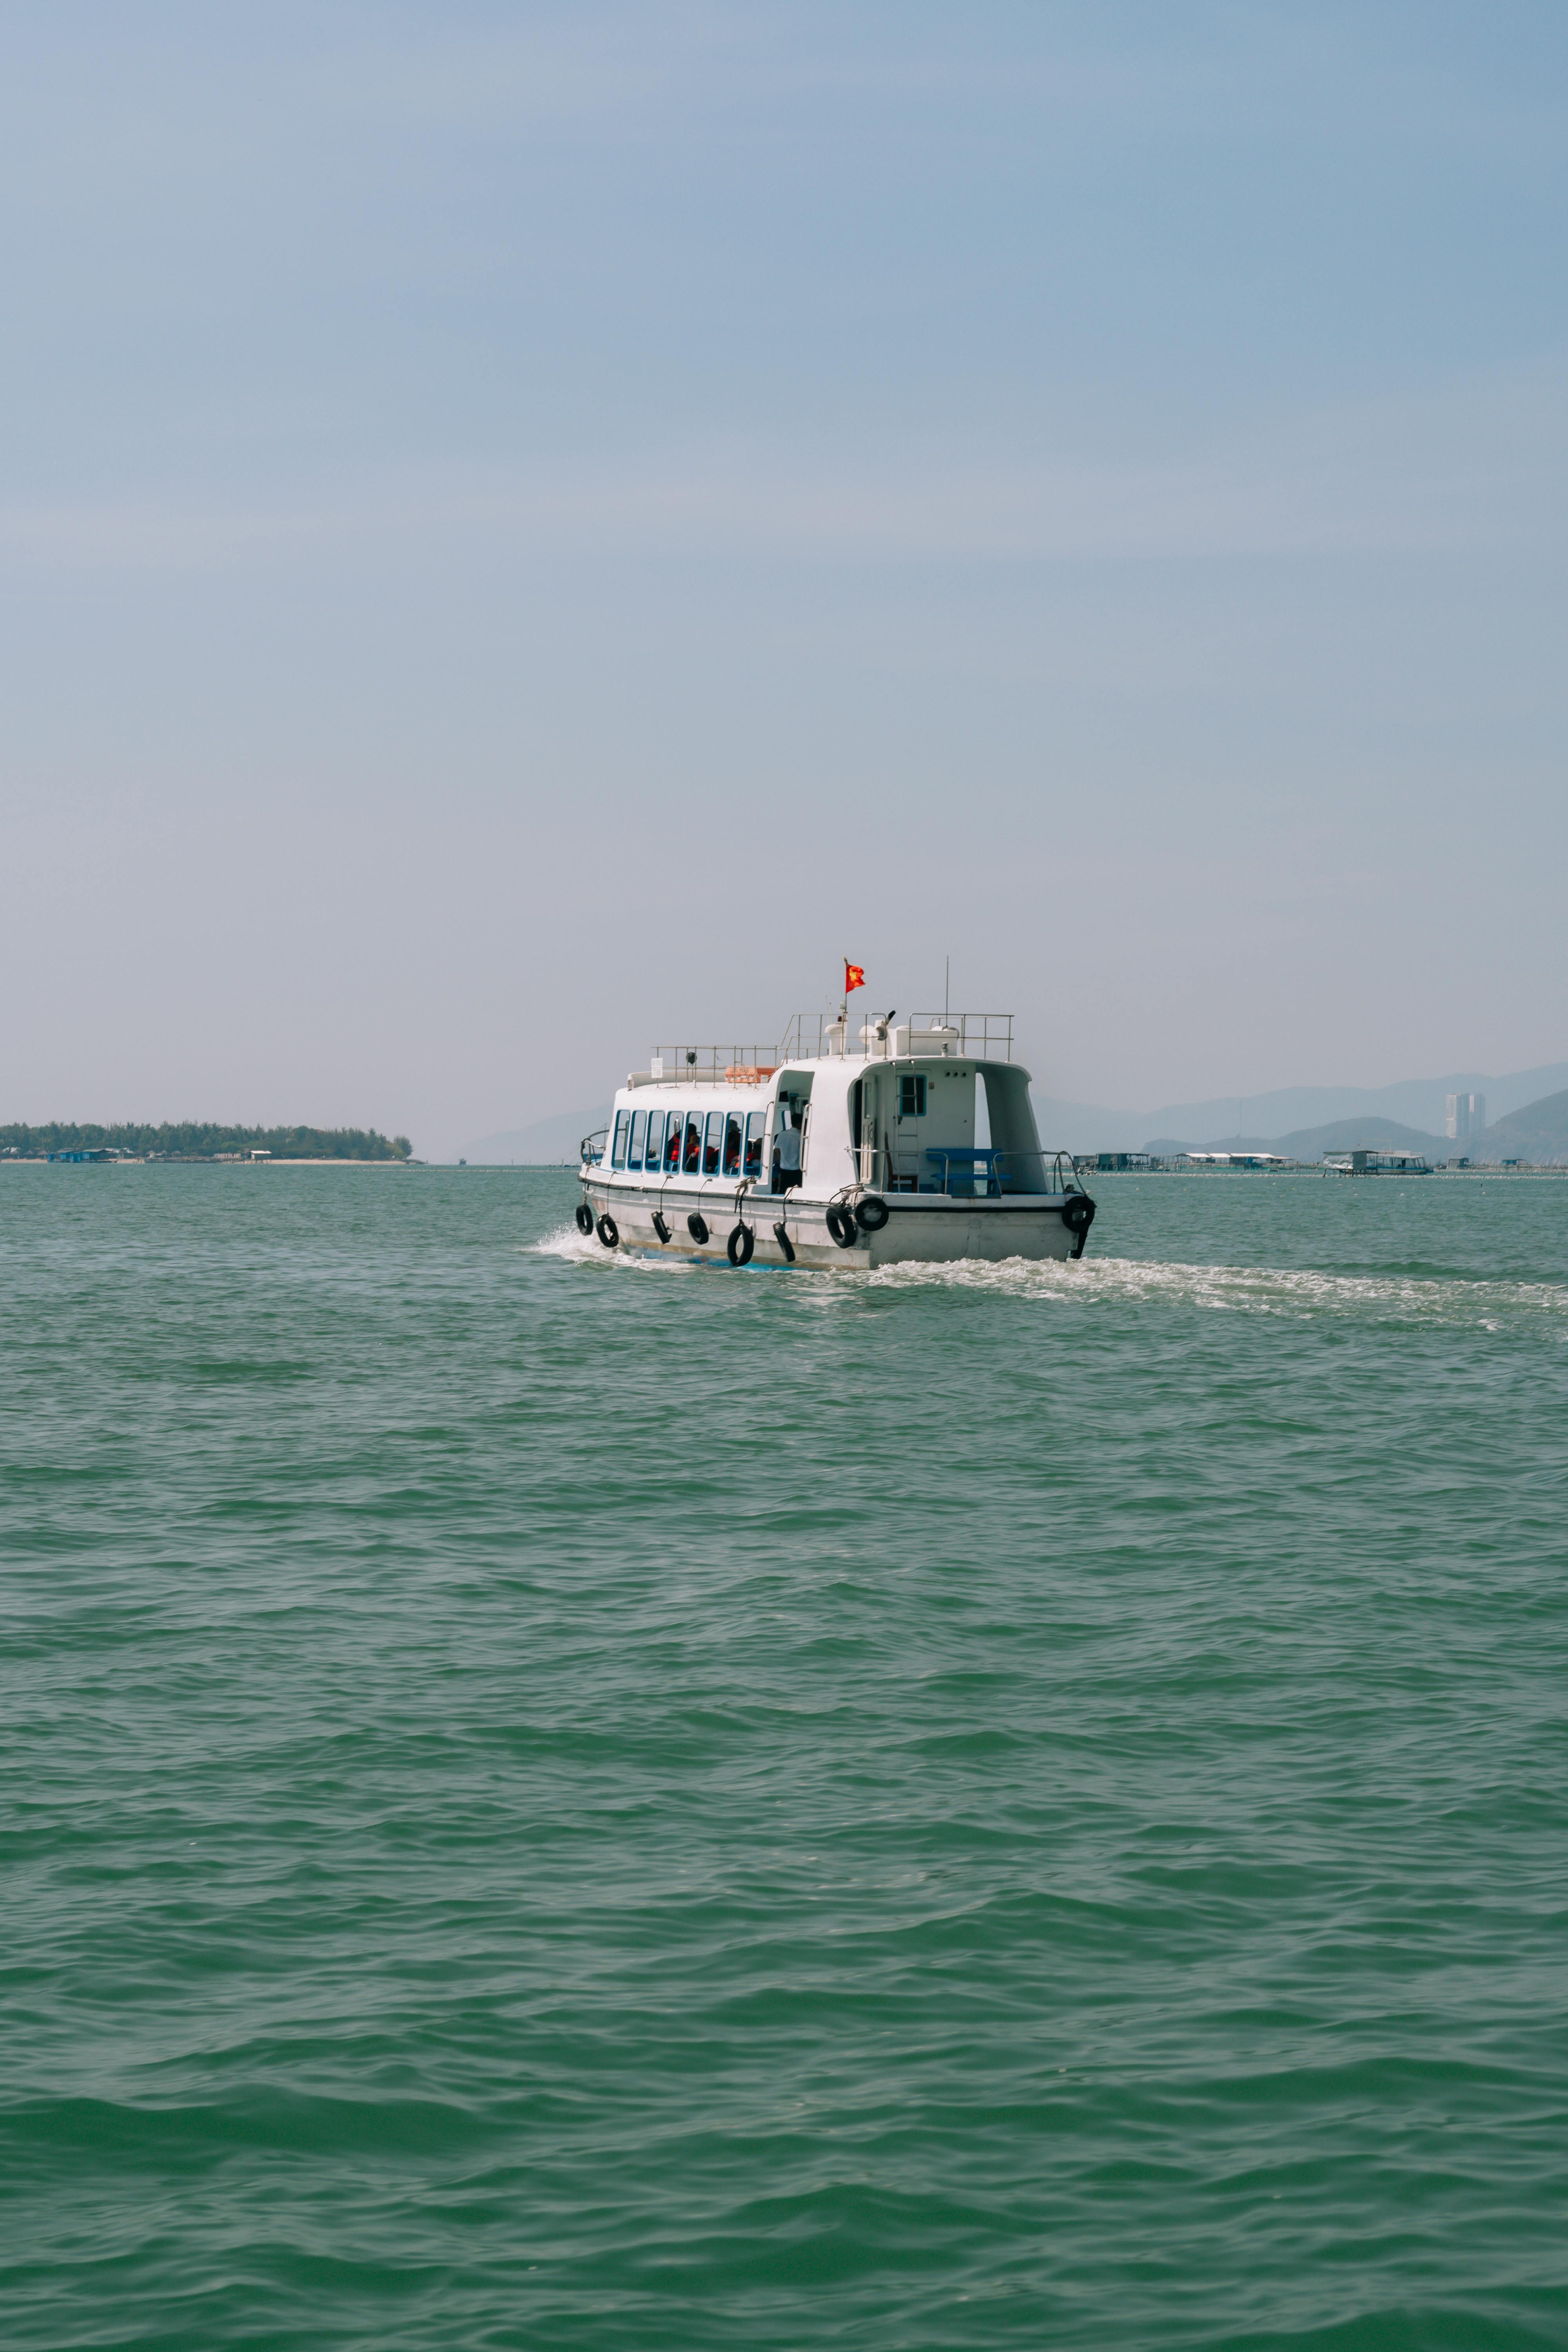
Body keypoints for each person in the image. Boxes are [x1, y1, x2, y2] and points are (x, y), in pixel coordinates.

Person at [774, 1104, 803, 1192]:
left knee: (782, 1190)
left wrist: (781, 1161)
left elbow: (777, 1150)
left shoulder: (782, 1134)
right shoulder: (800, 1137)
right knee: (796, 1191)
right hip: (796, 1169)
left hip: (784, 1168)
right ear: (800, 1123)